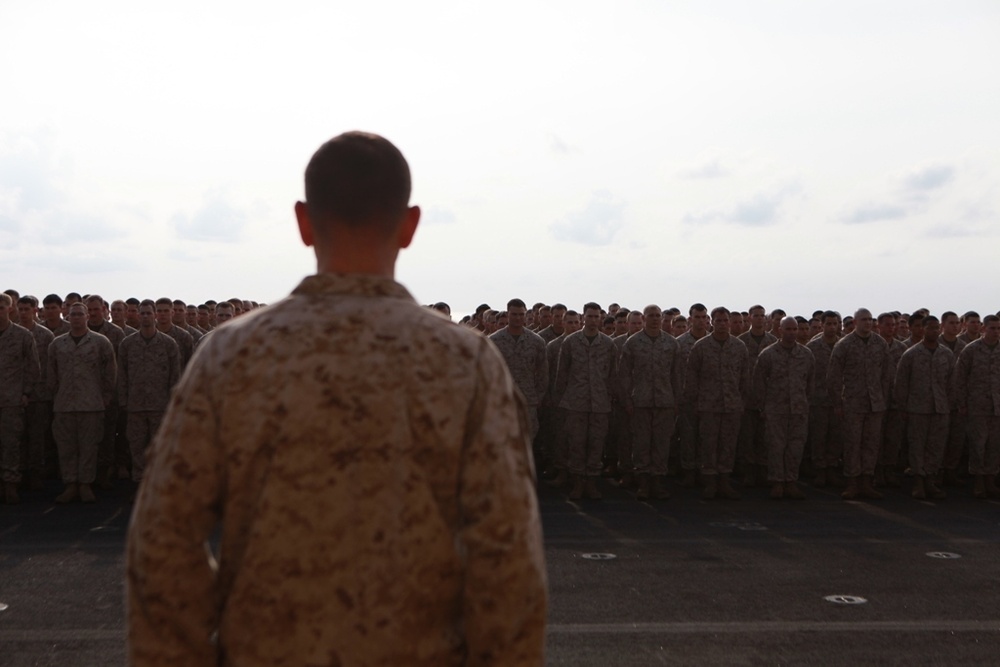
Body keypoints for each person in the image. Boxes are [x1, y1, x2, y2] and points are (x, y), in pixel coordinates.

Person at [127, 131, 547, 666]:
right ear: (411, 225)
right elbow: (508, 556)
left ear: (303, 222)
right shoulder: (466, 361)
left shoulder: (230, 355)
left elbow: (162, 541)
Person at [48, 302, 116, 503]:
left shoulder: (100, 342)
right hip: (64, 405)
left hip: (91, 404)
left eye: (80, 314)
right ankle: (70, 485)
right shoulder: (57, 344)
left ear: (87, 316)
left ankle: (86, 484)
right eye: (72, 315)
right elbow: (51, 375)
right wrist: (56, 397)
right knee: (66, 447)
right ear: (67, 317)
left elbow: (110, 373)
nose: (76, 318)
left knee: (89, 446)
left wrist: (105, 398)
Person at [827, 308, 892, 500]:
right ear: (855, 322)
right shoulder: (844, 345)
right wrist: (837, 402)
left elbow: (887, 374)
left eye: (870, 320)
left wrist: (883, 398)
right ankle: (853, 483)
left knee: (871, 444)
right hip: (852, 403)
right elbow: (834, 376)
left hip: (875, 403)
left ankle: (867, 482)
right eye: (864, 319)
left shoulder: (880, 343)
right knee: (852, 444)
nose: (868, 323)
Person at [685, 307, 750, 500]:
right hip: (708, 405)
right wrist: (695, 402)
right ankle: (710, 482)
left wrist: (741, 401)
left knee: (728, 445)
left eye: (725, 320)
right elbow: (692, 377)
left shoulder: (739, 347)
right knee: (708, 445)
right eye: (718, 320)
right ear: (710, 322)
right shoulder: (701, 347)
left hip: (732, 405)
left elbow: (744, 379)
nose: (722, 324)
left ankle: (724, 481)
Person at [117, 301, 181, 493]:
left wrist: (173, 404)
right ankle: (139, 484)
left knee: (160, 447)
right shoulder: (127, 344)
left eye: (148, 313)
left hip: (160, 405)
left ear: (155, 315)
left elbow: (175, 377)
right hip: (135, 405)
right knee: (136, 447)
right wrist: (123, 401)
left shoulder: (169, 344)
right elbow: (122, 376)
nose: (145, 316)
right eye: (141, 313)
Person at [618, 304, 681, 500]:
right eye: (651, 316)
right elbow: (625, 374)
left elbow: (676, 375)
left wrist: (676, 400)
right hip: (641, 401)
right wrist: (627, 400)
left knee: (661, 444)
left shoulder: (671, 343)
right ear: (644, 319)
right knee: (641, 443)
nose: (655, 319)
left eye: (658, 316)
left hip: (664, 401)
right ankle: (643, 483)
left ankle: (657, 482)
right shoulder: (633, 343)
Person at [555, 302, 616, 500]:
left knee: (596, 444)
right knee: (577, 443)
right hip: (575, 403)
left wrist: (611, 399)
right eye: (589, 316)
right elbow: (562, 374)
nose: (593, 320)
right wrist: (560, 400)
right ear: (583, 318)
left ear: (600, 318)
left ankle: (591, 483)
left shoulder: (608, 344)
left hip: (600, 403)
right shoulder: (571, 342)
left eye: (596, 317)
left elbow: (613, 376)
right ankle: (577, 483)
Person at [753, 316, 814, 500]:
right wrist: (763, 406)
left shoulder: (806, 354)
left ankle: (791, 482)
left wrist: (805, 403)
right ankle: (777, 482)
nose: (792, 333)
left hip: (798, 410)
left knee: (795, 447)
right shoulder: (768, 354)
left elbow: (810, 382)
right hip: (775, 409)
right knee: (776, 447)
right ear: (780, 330)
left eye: (795, 329)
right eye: (788, 329)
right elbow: (759, 382)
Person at [893, 315, 954, 499]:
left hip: (940, 408)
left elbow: (952, 383)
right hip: (917, 408)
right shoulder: (910, 354)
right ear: (922, 329)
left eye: (937, 328)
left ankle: (930, 481)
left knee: (935, 446)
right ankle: (919, 482)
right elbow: (901, 383)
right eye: (930, 328)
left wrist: (948, 404)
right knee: (917, 446)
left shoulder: (946, 354)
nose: (934, 331)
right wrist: (902, 407)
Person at [953, 314, 1000, 499]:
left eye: (998, 329)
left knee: (995, 446)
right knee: (978, 445)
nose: (996, 332)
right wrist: (962, 403)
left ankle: (991, 480)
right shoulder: (971, 350)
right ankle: (979, 482)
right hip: (977, 406)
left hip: (998, 407)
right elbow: (960, 378)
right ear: (983, 329)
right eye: (992, 328)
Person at [0, 293, 41, 504]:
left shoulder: (23, 336)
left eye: (1, 308)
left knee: (11, 444)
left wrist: (26, 392)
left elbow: (33, 368)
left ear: (10, 309)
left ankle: (10, 484)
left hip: (11, 399)